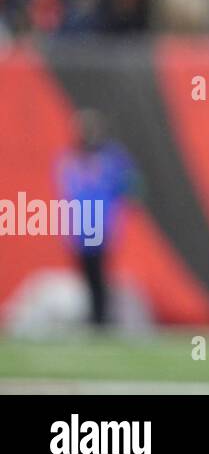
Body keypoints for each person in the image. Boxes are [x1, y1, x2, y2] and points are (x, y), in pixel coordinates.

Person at [55, 109, 135, 327]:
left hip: (101, 224)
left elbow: (129, 185)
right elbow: (66, 191)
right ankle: (95, 316)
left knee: (98, 274)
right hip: (80, 228)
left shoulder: (111, 157)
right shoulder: (70, 158)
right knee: (87, 276)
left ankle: (101, 318)